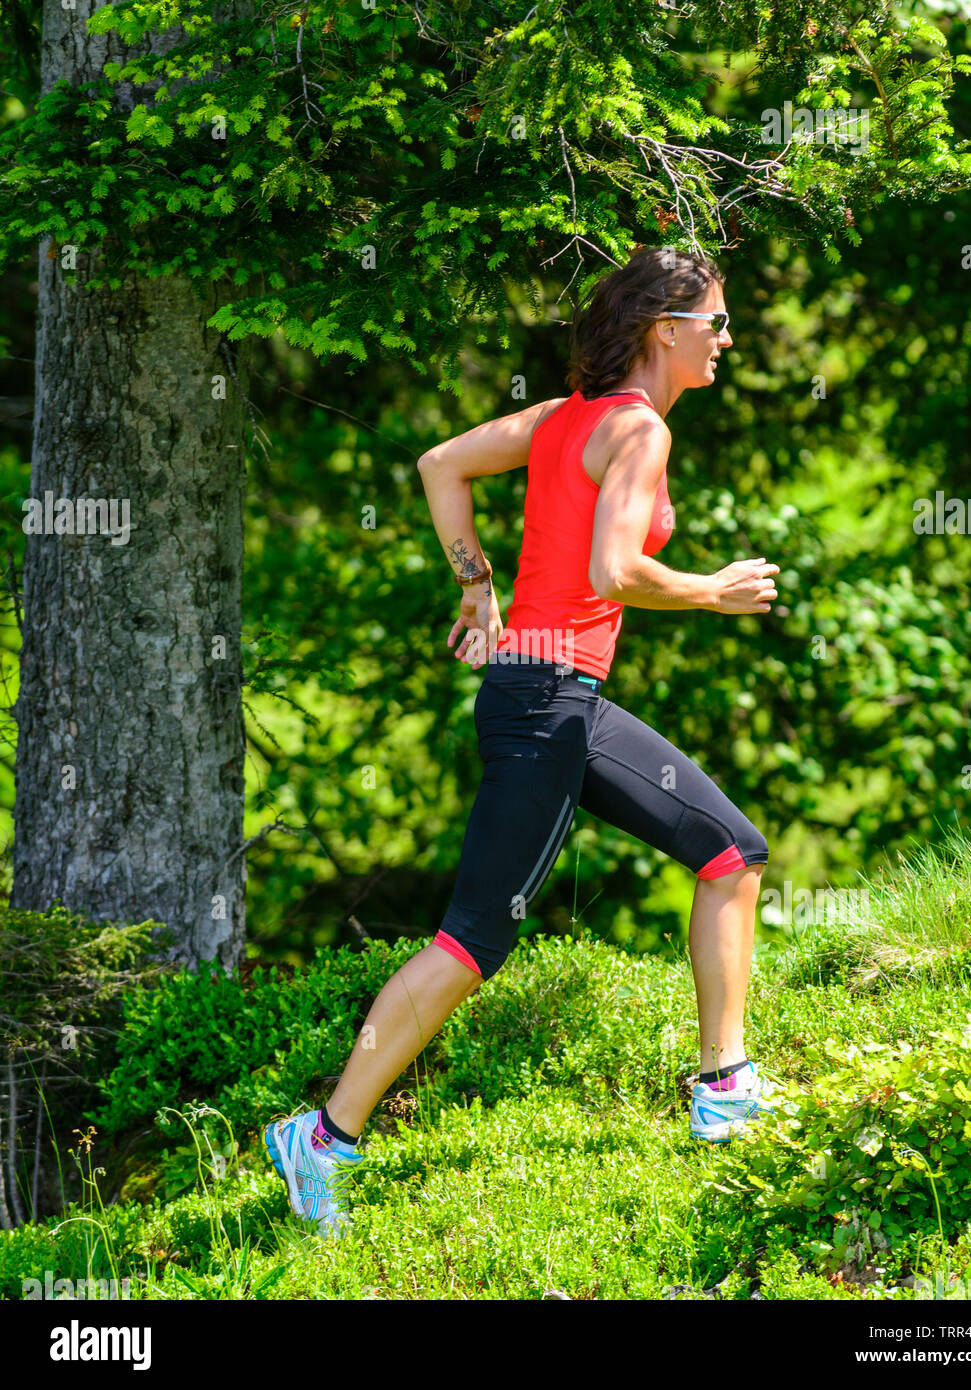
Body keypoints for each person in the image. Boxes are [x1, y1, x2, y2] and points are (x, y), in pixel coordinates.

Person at [265, 246, 781, 1235]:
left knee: (730, 854)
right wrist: (711, 590)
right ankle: (323, 1137)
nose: (726, 339)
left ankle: (722, 1083)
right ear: (661, 329)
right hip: (546, 703)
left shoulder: (562, 418)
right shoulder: (632, 430)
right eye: (714, 321)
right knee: (470, 939)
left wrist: (475, 583)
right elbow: (616, 568)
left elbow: (439, 464)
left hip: (553, 699)